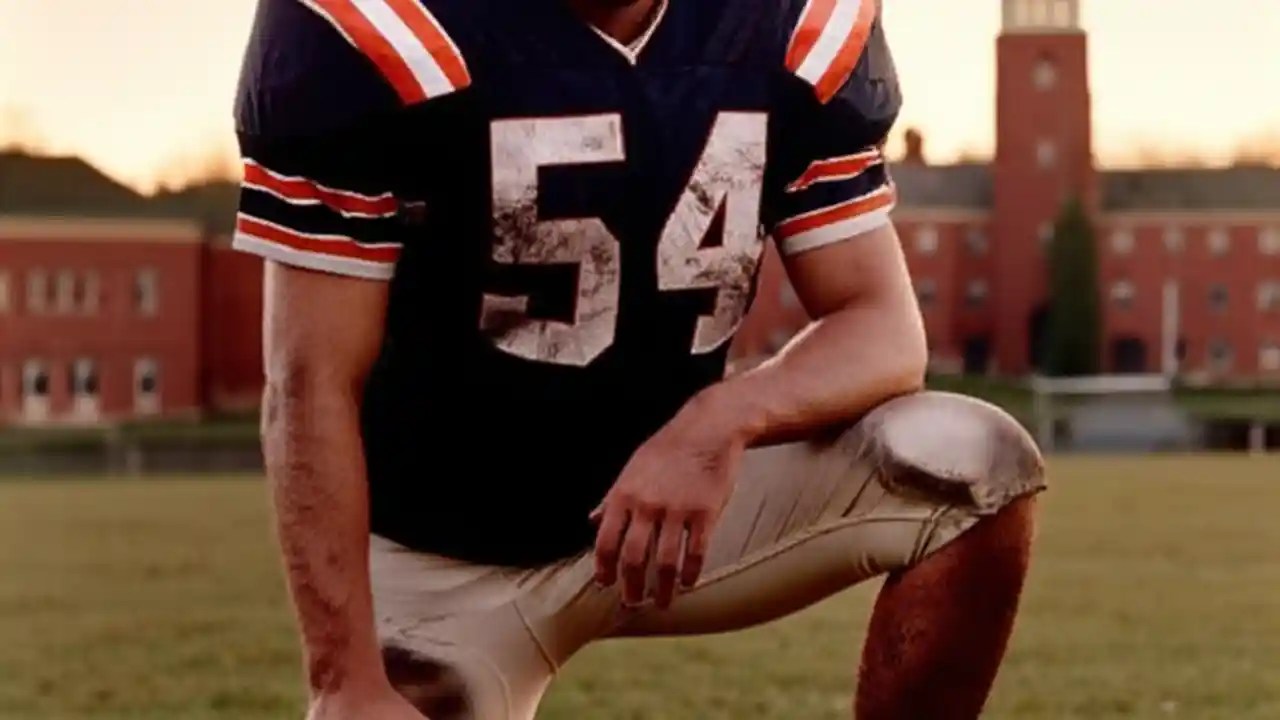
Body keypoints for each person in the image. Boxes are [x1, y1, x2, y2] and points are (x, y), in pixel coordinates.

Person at [232, 0, 1047, 717]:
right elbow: (310, 382)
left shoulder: (792, 24)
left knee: (972, 467)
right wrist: (344, 678)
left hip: (671, 510)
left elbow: (882, 326)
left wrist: (721, 419)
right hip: (440, 555)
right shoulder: (375, 24)